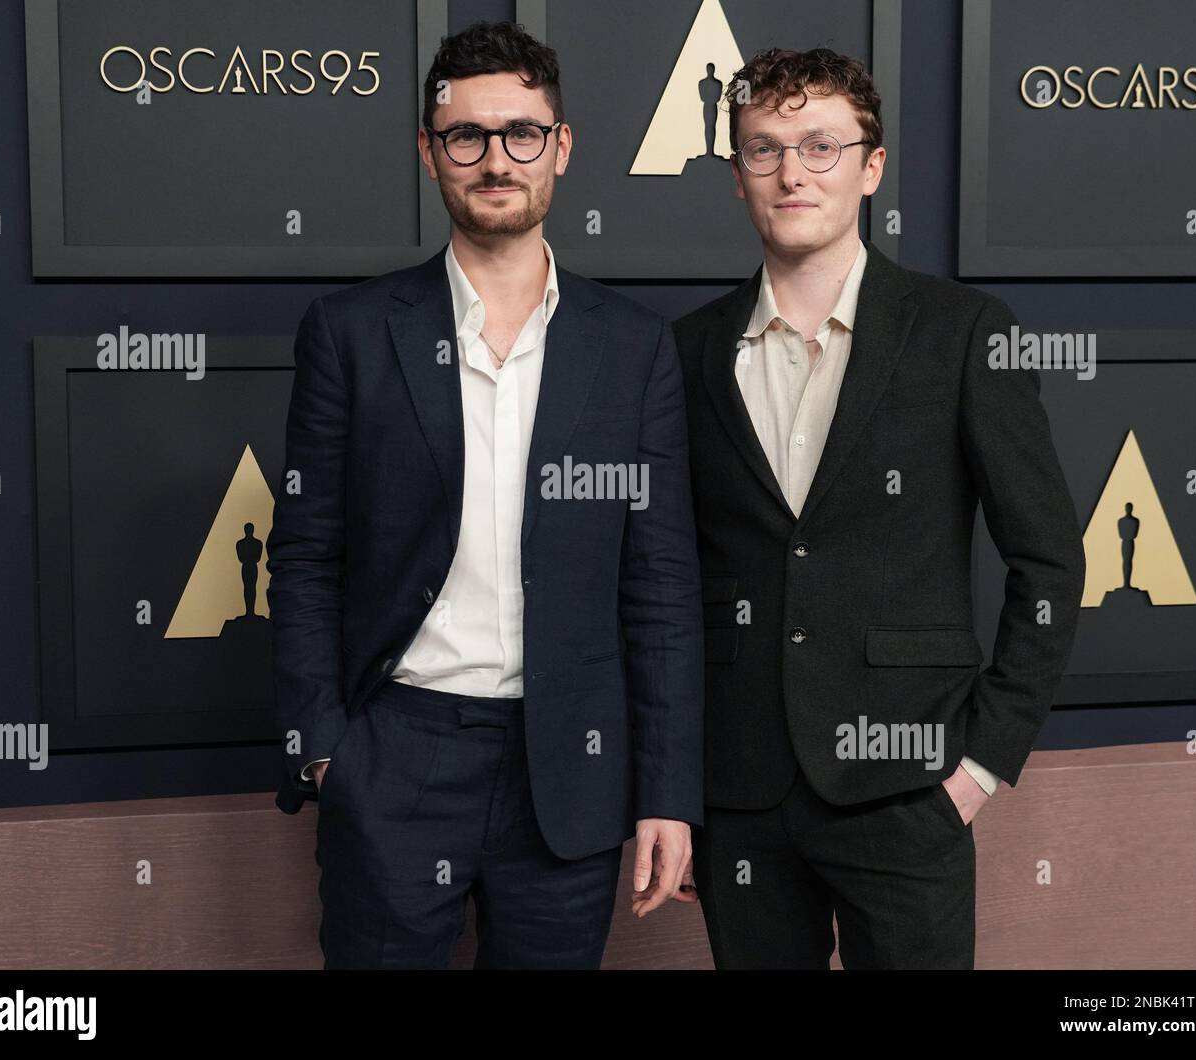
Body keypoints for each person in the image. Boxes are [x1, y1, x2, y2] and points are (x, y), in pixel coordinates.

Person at [267, 21, 704, 969]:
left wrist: (667, 789)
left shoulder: (632, 348)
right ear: (430, 153)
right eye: (466, 136)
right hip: (396, 755)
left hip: (573, 767)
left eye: (521, 133)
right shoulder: (349, 333)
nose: (495, 159)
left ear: (562, 147)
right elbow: (303, 553)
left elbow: (662, 583)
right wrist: (326, 753)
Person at [671, 46, 1085, 969]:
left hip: (911, 788)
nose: (792, 172)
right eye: (764, 148)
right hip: (739, 793)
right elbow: (663, 577)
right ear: (736, 175)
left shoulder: (965, 335)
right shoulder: (685, 351)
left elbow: (1051, 563)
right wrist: (676, 783)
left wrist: (977, 770)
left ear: (873, 166)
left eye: (821, 146)